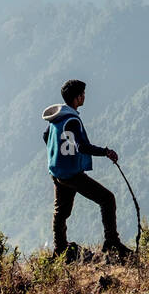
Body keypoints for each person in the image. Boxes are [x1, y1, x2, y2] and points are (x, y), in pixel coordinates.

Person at [42, 79, 131, 261]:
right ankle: (112, 242)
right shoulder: (72, 120)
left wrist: (59, 152)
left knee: (61, 212)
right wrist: (106, 152)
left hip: (57, 171)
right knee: (107, 199)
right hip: (72, 174)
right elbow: (82, 147)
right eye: (82, 93)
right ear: (77, 97)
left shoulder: (58, 117)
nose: (84, 96)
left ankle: (60, 248)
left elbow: (45, 136)